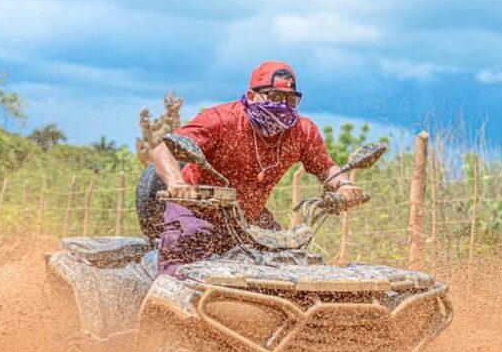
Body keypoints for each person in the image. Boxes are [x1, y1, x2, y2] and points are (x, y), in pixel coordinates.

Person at [151, 60, 366, 277]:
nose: (283, 106)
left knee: (286, 259)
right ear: (252, 96)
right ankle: (165, 306)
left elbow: (326, 167)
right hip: (196, 209)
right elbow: (164, 149)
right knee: (188, 249)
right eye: (275, 97)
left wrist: (344, 186)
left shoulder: (303, 132)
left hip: (247, 218)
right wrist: (176, 183)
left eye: (290, 99)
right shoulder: (222, 119)